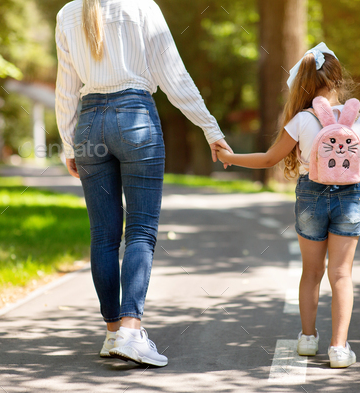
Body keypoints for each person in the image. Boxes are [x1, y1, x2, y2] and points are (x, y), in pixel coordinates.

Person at [55, 0, 232, 367]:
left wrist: (69, 144)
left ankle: (111, 332)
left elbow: (66, 88)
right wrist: (210, 128)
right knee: (140, 231)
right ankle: (131, 333)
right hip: (135, 117)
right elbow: (173, 74)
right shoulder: (142, 6)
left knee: (103, 235)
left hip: (89, 123)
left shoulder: (68, 13)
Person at [217, 43, 360, 368]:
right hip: (349, 200)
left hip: (310, 197)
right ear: (337, 80)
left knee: (312, 272)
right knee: (341, 275)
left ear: (304, 84)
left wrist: (230, 157)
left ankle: (307, 338)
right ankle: (339, 347)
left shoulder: (303, 120)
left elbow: (269, 159)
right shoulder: (356, 120)